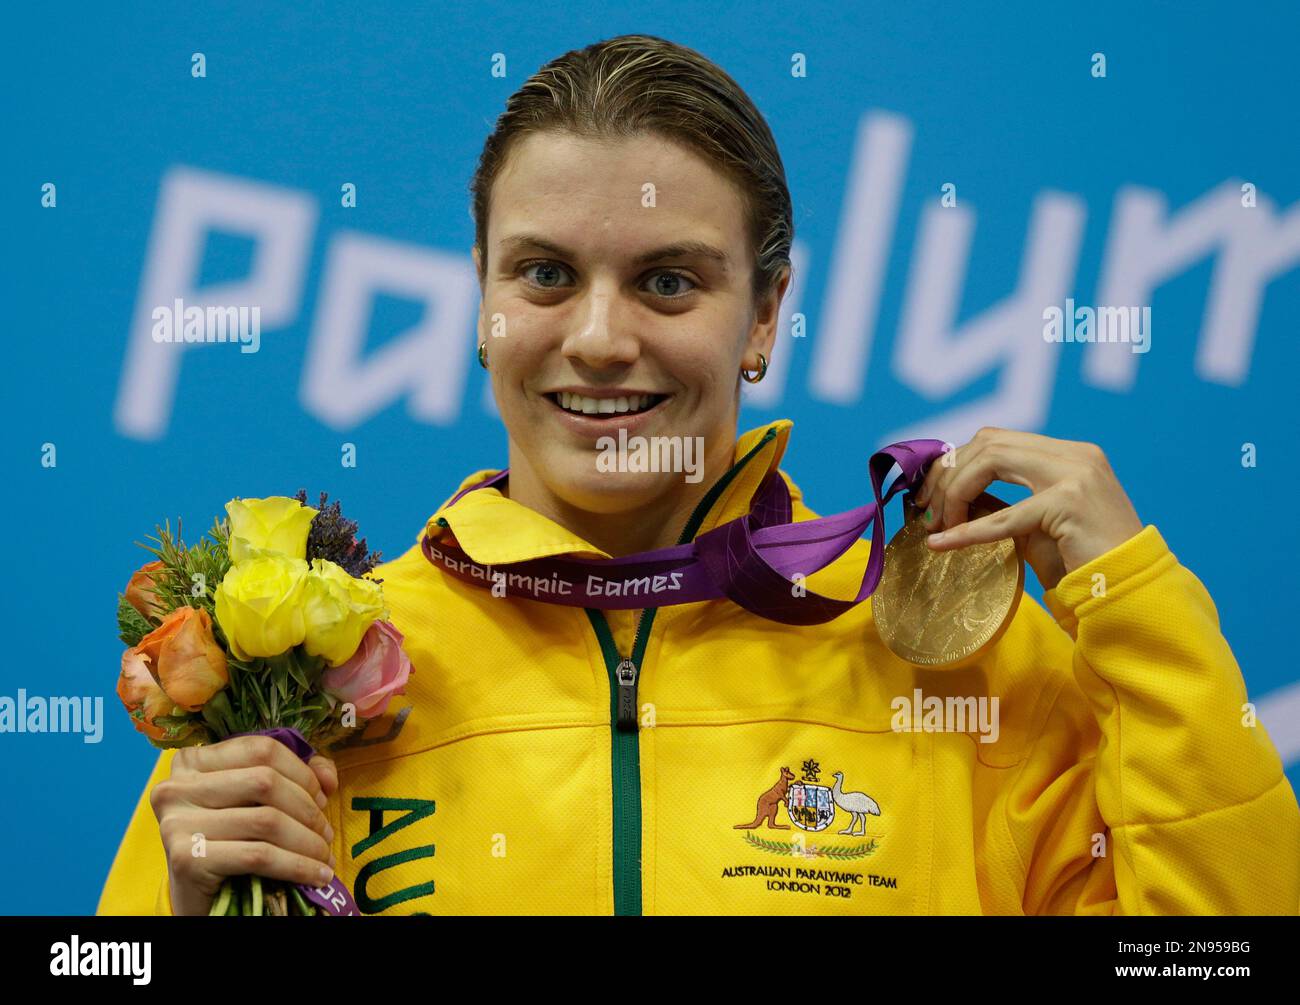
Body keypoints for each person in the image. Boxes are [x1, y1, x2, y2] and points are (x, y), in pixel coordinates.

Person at [98, 33, 1298, 916]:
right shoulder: (309, 682)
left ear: (766, 313)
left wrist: (1132, 605)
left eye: (668, 280)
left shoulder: (954, 657)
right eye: (544, 275)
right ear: (479, 298)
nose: (600, 338)